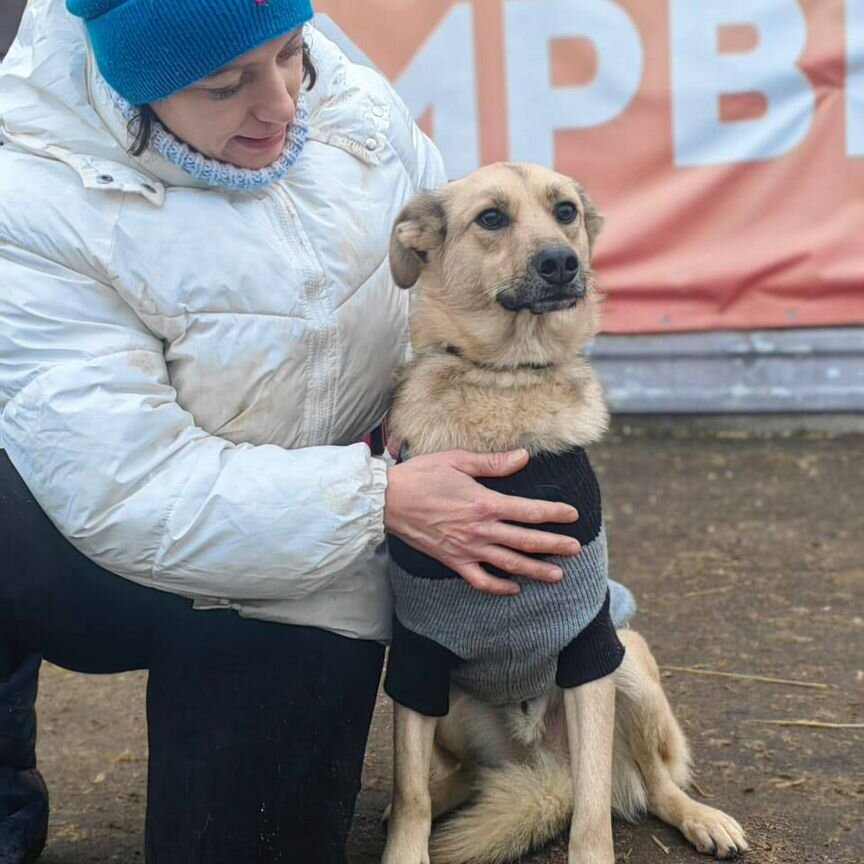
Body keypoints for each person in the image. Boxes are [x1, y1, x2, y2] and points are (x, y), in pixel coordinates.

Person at [0, 1, 590, 862]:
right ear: (139, 88)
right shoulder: (32, 198)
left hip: (306, 556)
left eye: (288, 53)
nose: (279, 103)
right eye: (224, 84)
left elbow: (447, 286)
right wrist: (378, 501)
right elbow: (126, 487)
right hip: (101, 545)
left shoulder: (346, 99)